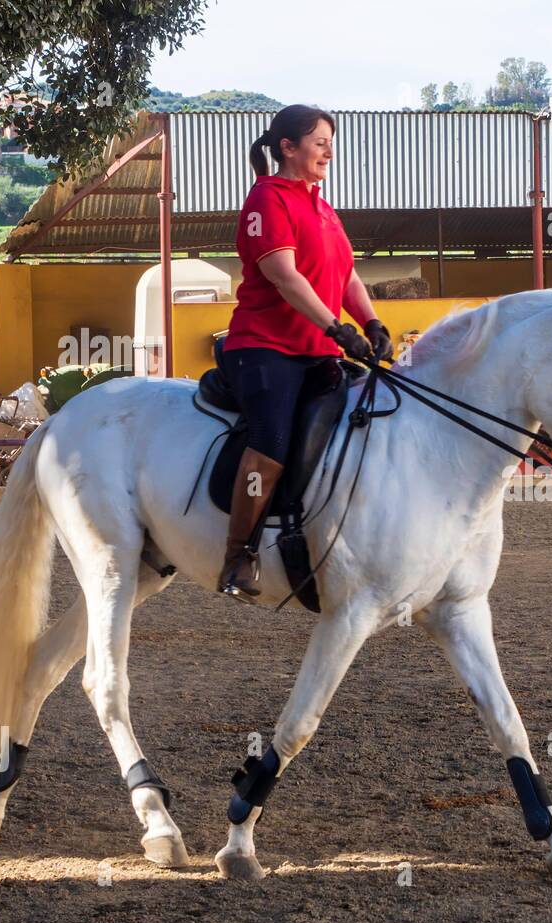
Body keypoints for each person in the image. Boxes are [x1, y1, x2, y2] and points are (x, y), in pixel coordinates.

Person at [218, 105, 393, 599]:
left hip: (318, 351)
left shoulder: (322, 206)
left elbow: (347, 276)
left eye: (329, 142)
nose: (329, 151)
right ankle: (238, 556)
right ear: (288, 148)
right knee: (271, 441)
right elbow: (284, 276)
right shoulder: (267, 199)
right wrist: (338, 328)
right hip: (265, 348)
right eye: (319, 142)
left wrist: (373, 321)